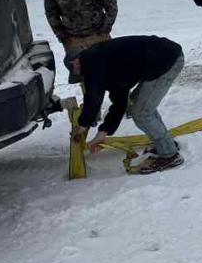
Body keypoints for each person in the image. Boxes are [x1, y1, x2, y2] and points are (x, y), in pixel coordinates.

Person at [67, 36, 185, 174]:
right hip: (163, 58)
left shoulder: (92, 60)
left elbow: (93, 98)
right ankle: (165, 143)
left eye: (74, 69)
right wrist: (103, 132)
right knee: (139, 103)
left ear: (75, 60)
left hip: (166, 60)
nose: (79, 74)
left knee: (142, 113)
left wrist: (82, 125)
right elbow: (119, 103)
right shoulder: (107, 67)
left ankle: (169, 155)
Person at [44, 0, 118, 83]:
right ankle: (91, 101)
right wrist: (64, 37)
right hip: (73, 40)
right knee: (83, 74)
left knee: (112, 70)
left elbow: (112, 6)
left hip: (99, 35)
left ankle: (123, 99)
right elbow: (51, 14)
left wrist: (105, 29)